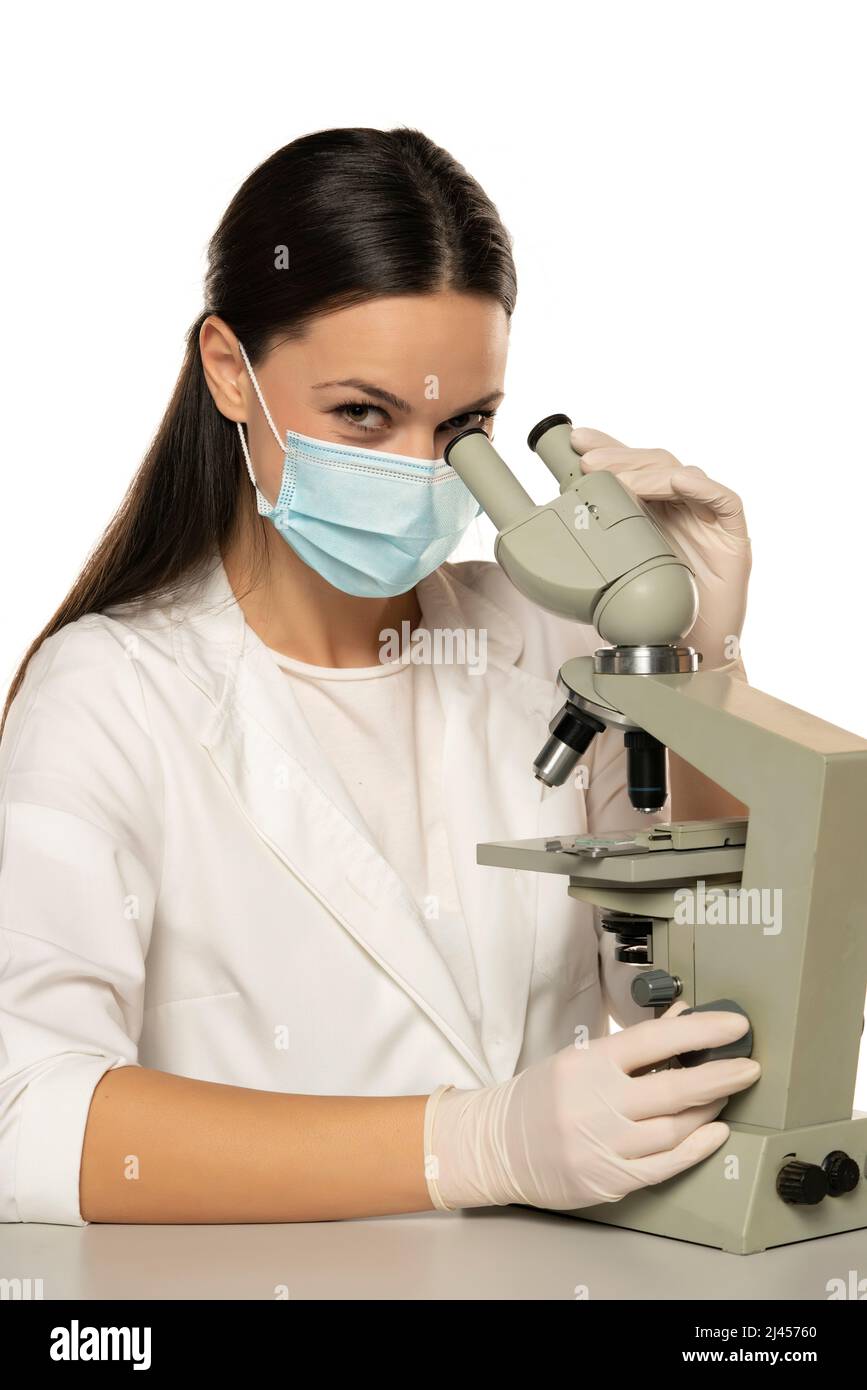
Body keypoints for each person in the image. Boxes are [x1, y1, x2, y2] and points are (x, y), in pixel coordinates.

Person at [0, 126, 759, 1226]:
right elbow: (23, 1117)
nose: (417, 472)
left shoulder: (551, 646)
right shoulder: (108, 696)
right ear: (231, 371)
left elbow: (722, 1027)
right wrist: (468, 1143)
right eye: (362, 413)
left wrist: (700, 682)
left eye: (465, 427)